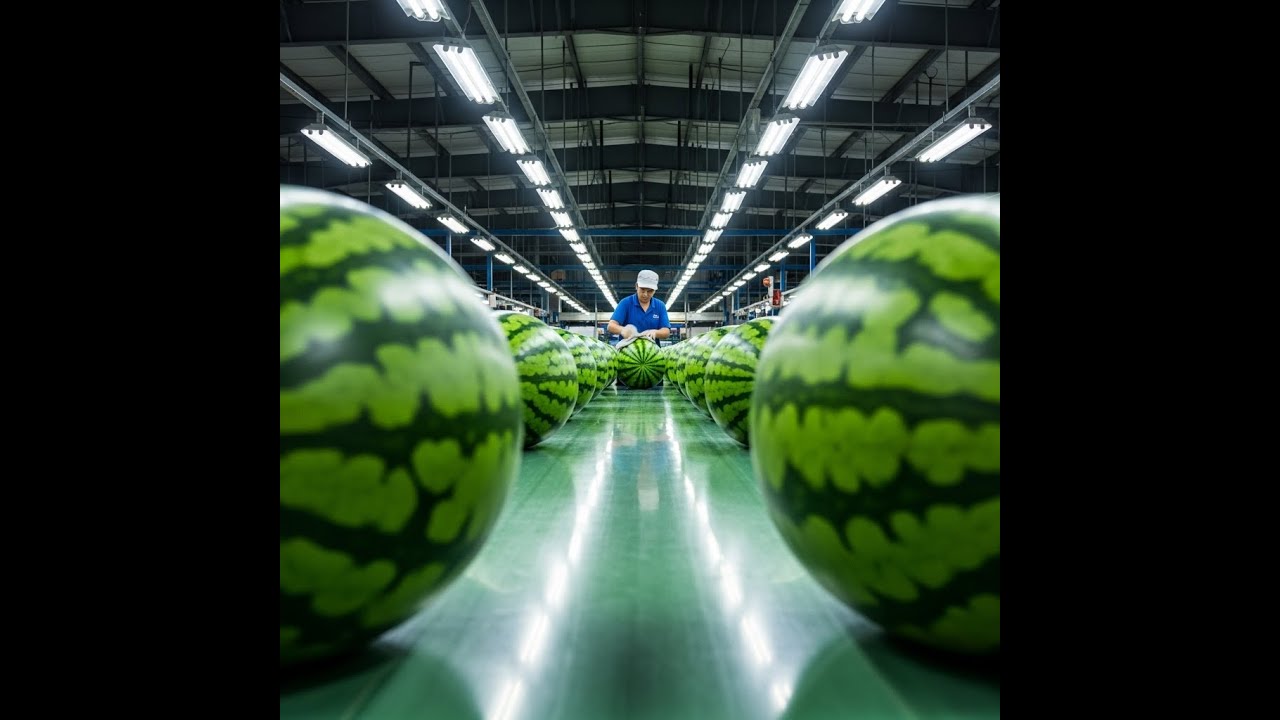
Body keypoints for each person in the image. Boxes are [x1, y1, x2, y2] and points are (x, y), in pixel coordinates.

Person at [607, 269, 671, 342]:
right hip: (628, 350)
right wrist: (622, 330)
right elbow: (611, 326)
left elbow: (666, 331)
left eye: (650, 291)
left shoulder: (660, 306)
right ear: (636, 286)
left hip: (653, 351)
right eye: (642, 289)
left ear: (655, 290)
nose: (645, 294)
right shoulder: (625, 303)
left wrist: (656, 332)